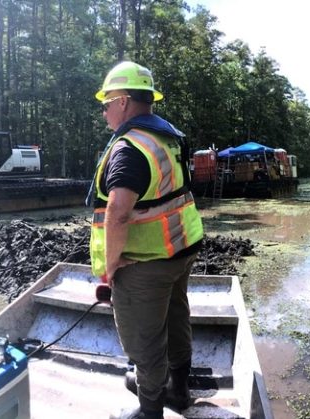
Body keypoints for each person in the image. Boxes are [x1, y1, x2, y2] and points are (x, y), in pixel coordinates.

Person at [87, 62, 204, 419]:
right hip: (180, 248)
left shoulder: (129, 149)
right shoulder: (167, 138)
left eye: (107, 103)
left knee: (145, 343)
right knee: (175, 316)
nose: (105, 110)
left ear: (123, 102)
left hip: (144, 261)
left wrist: (110, 266)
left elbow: (119, 213)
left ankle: (151, 407)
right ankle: (179, 389)